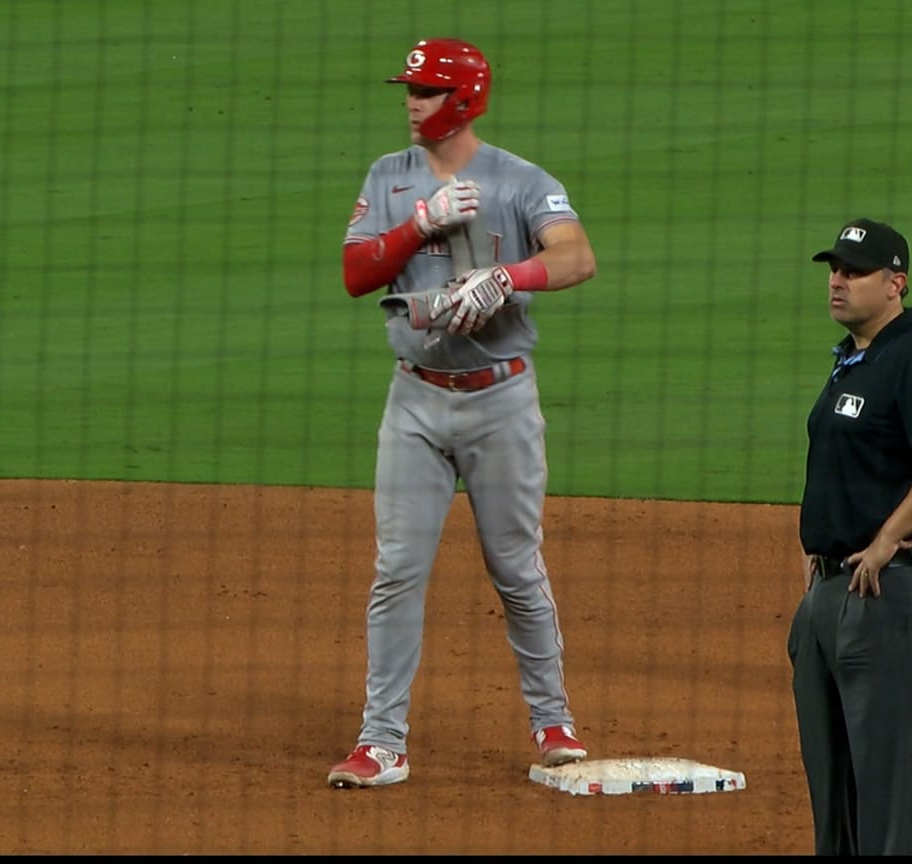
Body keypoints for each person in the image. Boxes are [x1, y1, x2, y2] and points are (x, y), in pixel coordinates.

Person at [326, 37, 598, 789]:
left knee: (515, 567)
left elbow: (577, 256)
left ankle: (553, 722)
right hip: (414, 401)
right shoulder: (388, 176)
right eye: (409, 91)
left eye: (427, 92)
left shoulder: (519, 179)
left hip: (501, 401)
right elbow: (355, 274)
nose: (412, 103)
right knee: (397, 571)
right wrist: (418, 225)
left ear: (466, 99)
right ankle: (382, 743)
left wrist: (507, 277)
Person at [788, 218, 912, 854]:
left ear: (895, 283)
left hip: (892, 593)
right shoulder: (854, 360)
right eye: (834, 269)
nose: (837, 281)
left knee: (896, 792)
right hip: (832, 597)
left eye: (854, 271)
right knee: (836, 793)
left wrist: (886, 537)